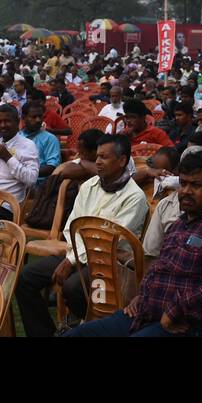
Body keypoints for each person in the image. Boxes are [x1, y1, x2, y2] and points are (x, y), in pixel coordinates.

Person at [70, 150, 202, 336]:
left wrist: (175, 312)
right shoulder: (180, 225)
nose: (186, 191)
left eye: (196, 185)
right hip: (145, 313)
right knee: (78, 334)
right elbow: (160, 266)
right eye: (183, 183)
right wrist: (143, 295)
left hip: (184, 325)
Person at [15, 134, 148, 337]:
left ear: (122, 161)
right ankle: (44, 333)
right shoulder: (89, 186)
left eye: (104, 157)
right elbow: (72, 227)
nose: (97, 162)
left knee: (73, 287)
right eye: (97, 156)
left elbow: (110, 242)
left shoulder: (134, 197)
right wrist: (72, 259)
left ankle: (84, 327)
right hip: (77, 254)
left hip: (110, 263)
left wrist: (72, 261)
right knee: (26, 278)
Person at [0, 103, 39, 203]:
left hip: (8, 203)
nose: (2, 125)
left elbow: (31, 179)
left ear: (17, 122)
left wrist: (8, 158)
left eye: (7, 121)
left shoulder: (28, 145)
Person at [18, 102, 61, 183]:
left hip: (39, 183)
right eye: (33, 117)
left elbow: (52, 167)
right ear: (23, 118)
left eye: (40, 116)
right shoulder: (18, 136)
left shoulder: (50, 139)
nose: (38, 120)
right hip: (17, 180)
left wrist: (26, 173)